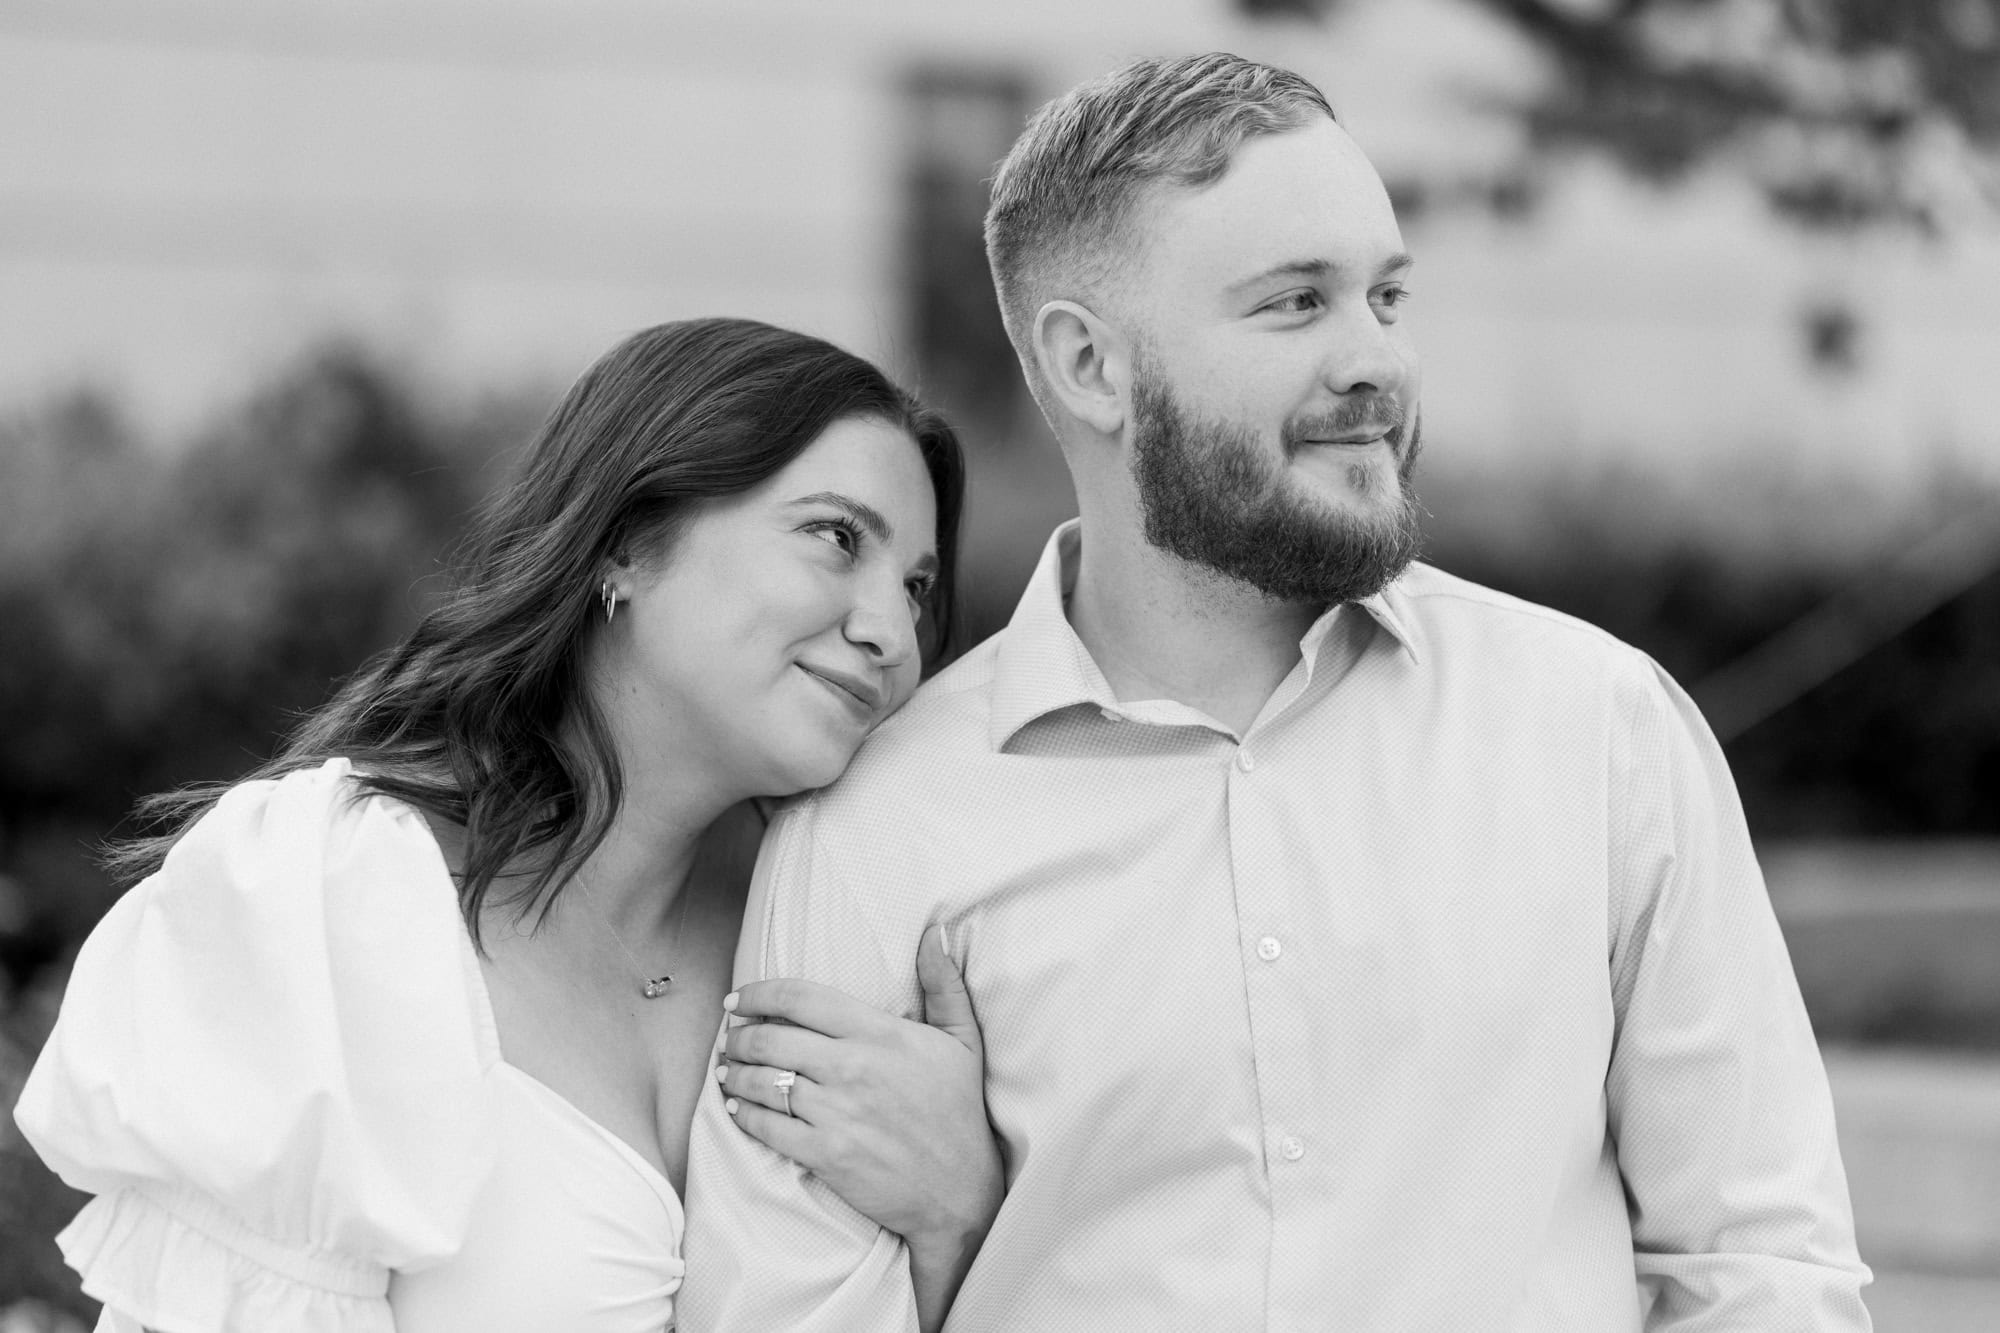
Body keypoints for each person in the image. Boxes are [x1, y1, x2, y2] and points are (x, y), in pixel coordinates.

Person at [681, 54, 1874, 1331]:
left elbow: (1758, 1265)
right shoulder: (878, 829)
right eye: (1295, 303)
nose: (1375, 362)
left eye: (1385, 296)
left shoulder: (1597, 732)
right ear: (1090, 366)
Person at [14, 317, 1004, 1333]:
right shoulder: (338, 892)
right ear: (626, 541)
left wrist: (955, 1216)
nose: (890, 633)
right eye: (837, 538)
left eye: (916, 589)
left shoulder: (853, 941)